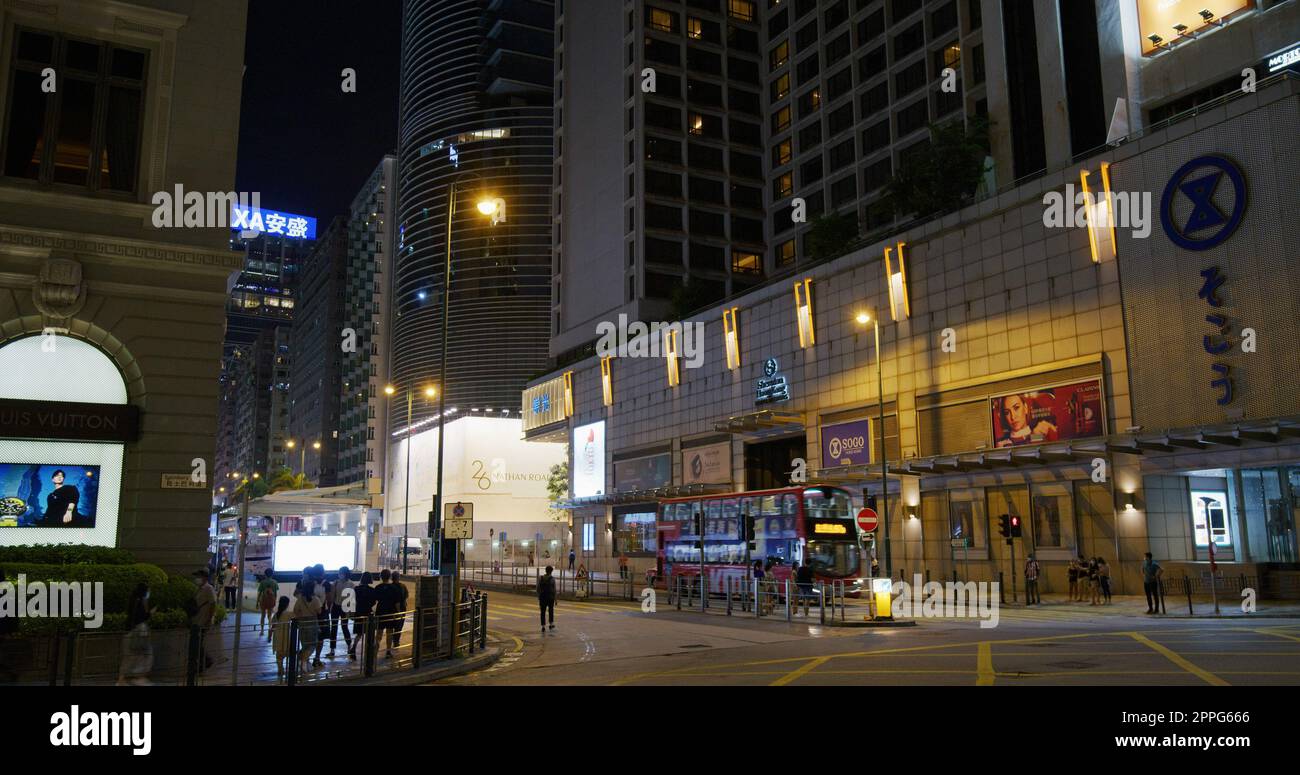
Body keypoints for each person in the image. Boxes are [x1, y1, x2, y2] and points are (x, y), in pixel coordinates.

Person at [117, 582, 154, 685]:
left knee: (129, 656)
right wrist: (150, 612)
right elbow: (142, 617)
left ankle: (123, 679)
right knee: (144, 654)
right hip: (138, 632)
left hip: (130, 631)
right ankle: (138, 678)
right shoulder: (140, 602)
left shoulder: (133, 600)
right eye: (148, 591)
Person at [994, 393, 1059, 448]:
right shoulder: (1001, 444)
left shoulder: (1041, 431)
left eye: (1016, 408)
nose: (1013, 417)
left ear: (1025, 408)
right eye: (1007, 412)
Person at [191, 569, 219, 671]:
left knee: (198, 644)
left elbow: (213, 604)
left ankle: (206, 661)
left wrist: (209, 619)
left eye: (199, 576)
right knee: (197, 644)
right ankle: (202, 663)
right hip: (197, 620)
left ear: (205, 578)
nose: (197, 579)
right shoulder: (199, 588)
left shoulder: (208, 588)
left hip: (203, 621)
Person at [292, 579, 321, 674]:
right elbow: (319, 611)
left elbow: (295, 610)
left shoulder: (300, 599)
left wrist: (301, 615)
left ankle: (302, 661)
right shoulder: (316, 599)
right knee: (312, 644)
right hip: (312, 622)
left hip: (302, 623)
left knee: (304, 644)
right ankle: (304, 661)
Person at [347, 572, 377, 662]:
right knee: (369, 633)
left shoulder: (356, 589)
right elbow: (373, 602)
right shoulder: (372, 590)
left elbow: (351, 601)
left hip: (358, 612)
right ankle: (369, 653)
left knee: (359, 633)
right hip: (368, 612)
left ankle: (353, 648)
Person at [328, 567, 354, 658]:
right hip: (336, 606)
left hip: (345, 608)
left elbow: (351, 599)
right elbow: (333, 596)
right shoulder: (336, 582)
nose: (340, 574)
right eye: (339, 573)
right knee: (334, 628)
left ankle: (349, 646)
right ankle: (332, 649)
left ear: (346, 574)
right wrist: (330, 607)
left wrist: (349, 611)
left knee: (344, 627)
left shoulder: (351, 584)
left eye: (341, 573)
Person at [374, 569, 399, 658]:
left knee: (379, 633)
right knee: (389, 632)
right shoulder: (394, 588)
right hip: (390, 612)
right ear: (389, 577)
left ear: (381, 576)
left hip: (380, 611)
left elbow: (375, 600)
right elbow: (397, 603)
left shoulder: (378, 587)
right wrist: (398, 613)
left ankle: (375, 651)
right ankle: (388, 651)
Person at [270, 596, 293, 679]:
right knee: (285, 652)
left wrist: (270, 636)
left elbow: (273, 626)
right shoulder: (288, 614)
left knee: (279, 654)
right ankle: (285, 669)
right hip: (286, 636)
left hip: (277, 636)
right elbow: (297, 616)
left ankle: (280, 669)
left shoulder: (276, 614)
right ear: (287, 604)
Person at [389, 571, 409, 654]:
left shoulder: (390, 587)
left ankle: (390, 642)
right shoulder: (403, 586)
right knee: (399, 626)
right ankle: (396, 641)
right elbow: (406, 596)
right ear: (398, 578)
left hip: (391, 609)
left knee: (390, 626)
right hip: (401, 608)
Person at [256, 572, 279, 637]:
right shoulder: (275, 582)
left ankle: (262, 631)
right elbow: (275, 593)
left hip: (263, 600)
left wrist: (257, 602)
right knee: (269, 616)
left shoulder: (263, 582)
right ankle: (269, 629)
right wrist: (275, 601)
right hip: (271, 600)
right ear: (272, 574)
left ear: (265, 574)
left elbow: (260, 593)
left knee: (263, 615)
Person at [537, 565, 557, 633]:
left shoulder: (540, 578)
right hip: (550, 598)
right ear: (551, 571)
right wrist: (556, 599)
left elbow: (538, 588)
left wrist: (539, 596)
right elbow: (554, 590)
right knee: (551, 610)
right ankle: (551, 624)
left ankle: (543, 626)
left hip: (542, 598)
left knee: (542, 612)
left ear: (545, 570)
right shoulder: (552, 579)